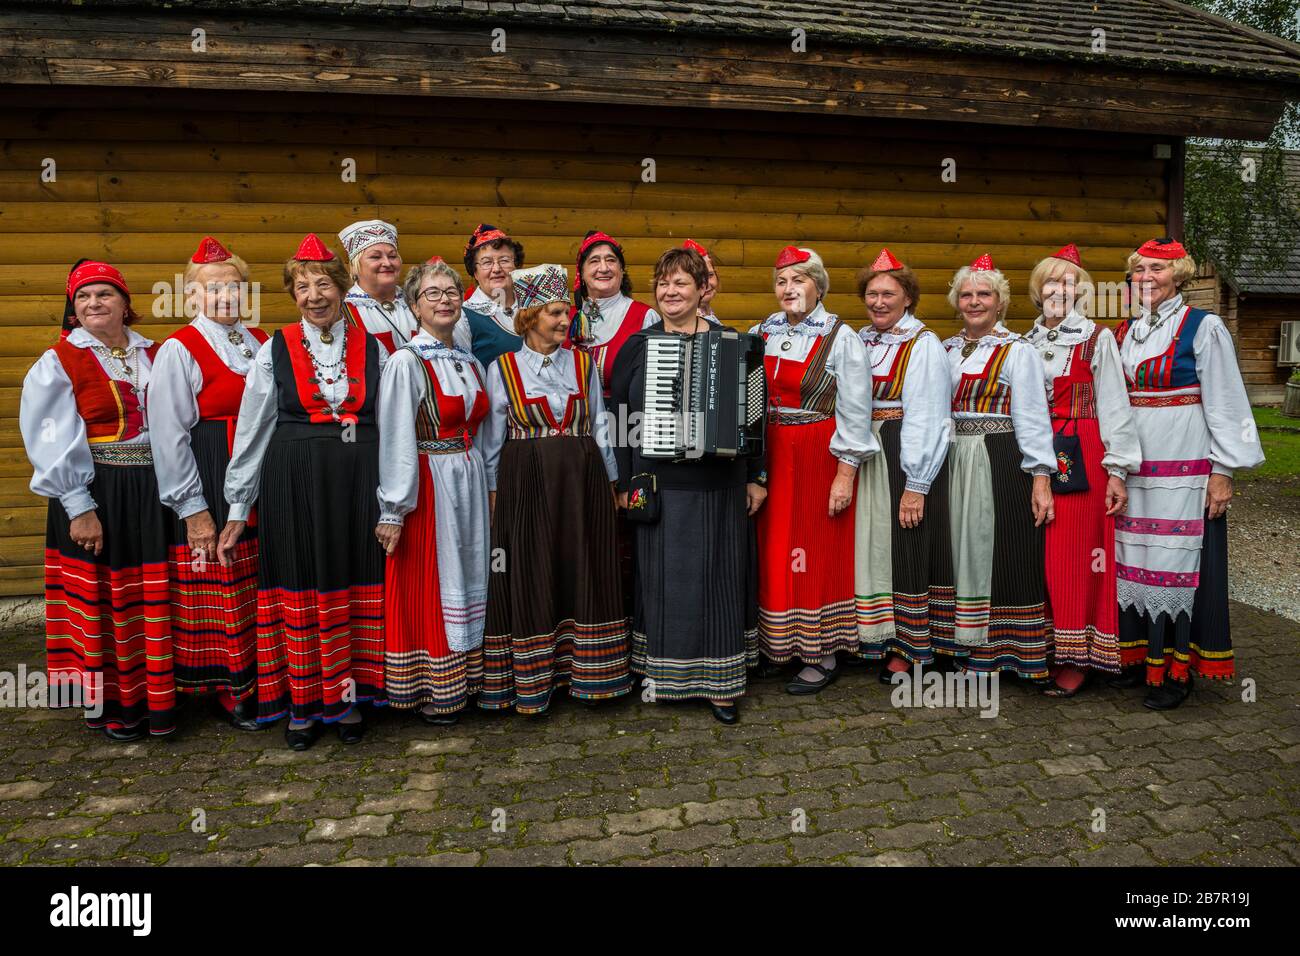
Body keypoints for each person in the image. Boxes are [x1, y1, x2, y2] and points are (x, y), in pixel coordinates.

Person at [218, 234, 386, 749]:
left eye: (322, 284)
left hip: (356, 483)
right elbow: (252, 429)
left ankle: (348, 697)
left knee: (351, 582)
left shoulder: (374, 345)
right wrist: (237, 507)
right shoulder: (275, 348)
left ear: (341, 287)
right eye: (301, 287)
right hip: (293, 480)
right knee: (300, 586)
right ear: (292, 295)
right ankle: (302, 704)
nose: (313, 295)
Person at [609, 246, 765, 724]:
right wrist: (622, 480)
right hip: (660, 483)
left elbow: (756, 418)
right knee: (662, 581)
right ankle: (660, 677)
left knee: (718, 578)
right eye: (663, 283)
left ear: (703, 290)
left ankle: (721, 685)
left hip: (719, 483)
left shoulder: (737, 344)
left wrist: (757, 476)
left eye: (680, 283)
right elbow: (618, 415)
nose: (670, 292)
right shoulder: (637, 345)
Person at [20, 261, 172, 740]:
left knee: (151, 596)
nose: (93, 304)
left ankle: (159, 698)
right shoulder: (59, 361)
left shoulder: (157, 353)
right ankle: (114, 706)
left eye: (104, 294)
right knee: (109, 599)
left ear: (126, 305)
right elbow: (49, 439)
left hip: (154, 489)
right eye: (83, 298)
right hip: (98, 491)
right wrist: (78, 506)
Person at [1111, 237, 1264, 709]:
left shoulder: (1203, 326)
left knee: (1178, 563)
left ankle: (1177, 671)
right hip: (1137, 468)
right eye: (1140, 270)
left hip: (1186, 466)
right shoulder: (1123, 332)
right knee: (1136, 557)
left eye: (1157, 269)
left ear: (1179, 275)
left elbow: (1226, 400)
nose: (1147, 278)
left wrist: (1223, 471)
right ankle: (1139, 659)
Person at [478, 263, 630, 714]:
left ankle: (590, 676)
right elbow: (491, 441)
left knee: (582, 564)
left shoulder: (582, 364)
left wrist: (612, 483)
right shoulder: (502, 368)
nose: (566, 321)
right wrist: (493, 497)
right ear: (529, 318)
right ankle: (534, 681)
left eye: (567, 313)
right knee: (533, 568)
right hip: (526, 483)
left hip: (582, 483)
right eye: (556, 314)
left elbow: (602, 427)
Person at [149, 236, 267, 730]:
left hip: (261, 468)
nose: (225, 297)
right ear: (192, 296)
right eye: (212, 289)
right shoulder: (180, 348)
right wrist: (193, 508)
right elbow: (169, 434)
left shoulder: (260, 341)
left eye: (234, 289)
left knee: (259, 574)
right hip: (213, 467)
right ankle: (229, 685)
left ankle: (267, 676)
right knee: (218, 574)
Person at [752, 245, 877, 694]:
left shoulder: (841, 336)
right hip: (772, 452)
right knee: (775, 546)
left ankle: (822, 651)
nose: (789, 289)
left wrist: (845, 473)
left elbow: (857, 411)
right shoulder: (761, 331)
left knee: (814, 547)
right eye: (782, 281)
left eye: (799, 280)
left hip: (817, 452)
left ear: (818, 286)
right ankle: (780, 644)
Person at [375, 260, 490, 725]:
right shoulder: (406, 361)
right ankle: (434, 687)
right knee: (435, 577)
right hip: (427, 481)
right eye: (432, 294)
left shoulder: (468, 359)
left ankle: (468, 679)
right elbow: (396, 435)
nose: (444, 300)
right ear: (414, 306)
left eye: (451, 292)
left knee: (468, 570)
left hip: (469, 474)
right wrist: (394, 507)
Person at [1023, 243, 1141, 697]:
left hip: (1082, 452)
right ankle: (1038, 647)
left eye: (1069, 282)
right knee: (1037, 554)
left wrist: (1118, 470)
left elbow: (1116, 406)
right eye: (1051, 281)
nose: (1059, 289)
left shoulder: (1096, 339)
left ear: (1081, 292)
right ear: (1039, 289)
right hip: (1032, 451)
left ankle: (1077, 656)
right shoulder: (1026, 341)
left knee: (1074, 554)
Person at [940, 253, 1056, 679]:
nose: (974, 302)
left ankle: (999, 650)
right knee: (955, 546)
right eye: (966, 294)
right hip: (951, 456)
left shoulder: (1017, 351)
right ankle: (959, 642)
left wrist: (1041, 477)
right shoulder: (945, 349)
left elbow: (1033, 416)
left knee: (994, 547)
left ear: (1000, 302)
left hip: (998, 455)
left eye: (983, 294)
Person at [852, 248, 955, 682]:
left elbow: (930, 415)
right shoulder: (860, 338)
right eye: (872, 294)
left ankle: (914, 648)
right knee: (876, 546)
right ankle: (879, 636)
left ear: (908, 298)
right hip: (866, 450)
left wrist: (917, 482)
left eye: (888, 294)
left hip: (903, 451)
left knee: (908, 542)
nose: (878, 302)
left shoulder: (922, 344)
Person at [570, 230, 660, 395]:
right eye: (594, 261)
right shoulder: (565, 317)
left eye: (611, 260)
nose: (603, 268)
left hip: (622, 416)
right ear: (581, 273)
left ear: (622, 269)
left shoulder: (644, 317)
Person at [339, 218, 417, 354]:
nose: (387, 263)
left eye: (392, 256)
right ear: (356, 266)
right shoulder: (343, 310)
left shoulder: (416, 301)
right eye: (375, 257)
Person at [456, 223, 525, 365]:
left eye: (504, 260)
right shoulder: (463, 317)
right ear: (475, 272)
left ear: (516, 265)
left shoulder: (534, 306)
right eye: (487, 262)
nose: (497, 269)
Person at [683, 238, 723, 325]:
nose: (707, 284)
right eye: (698, 277)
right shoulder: (687, 322)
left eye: (710, 275)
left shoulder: (707, 314)